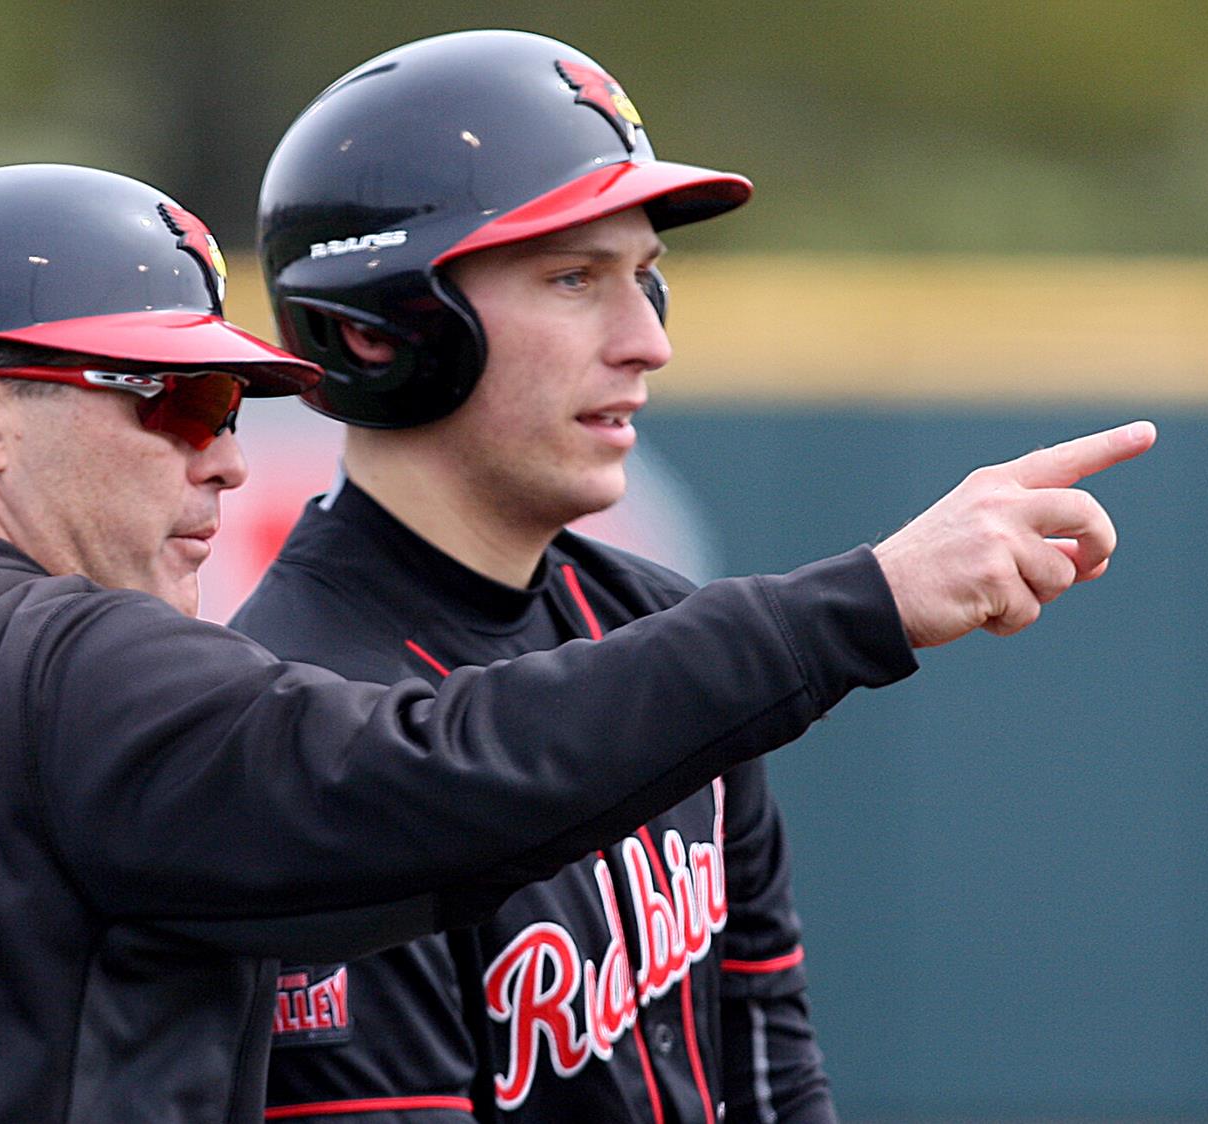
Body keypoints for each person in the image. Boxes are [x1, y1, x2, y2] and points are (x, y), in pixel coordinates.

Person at [0, 161, 1145, 1123]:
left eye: (235, 404)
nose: (227, 455)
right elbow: (439, 773)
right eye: (167, 399)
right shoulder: (44, 671)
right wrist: (862, 601)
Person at [236, 30, 1146, 1124]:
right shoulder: (294, 724)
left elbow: (773, 1075)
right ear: (377, 330)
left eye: (645, 276)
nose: (647, 340)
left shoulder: (658, 628)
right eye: (574, 278)